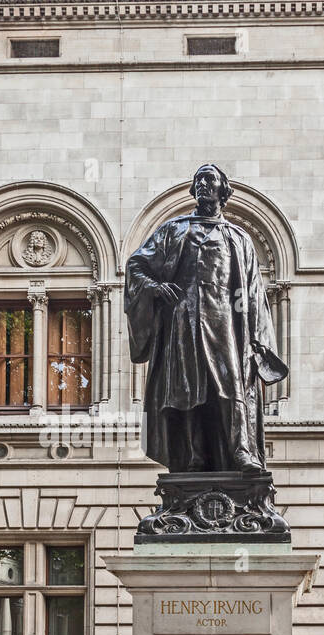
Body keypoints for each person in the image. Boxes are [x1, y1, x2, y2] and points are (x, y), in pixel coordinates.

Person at [125, 163, 287, 474]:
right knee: (187, 389)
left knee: (231, 386)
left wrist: (257, 341)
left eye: (209, 178)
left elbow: (253, 293)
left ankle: (242, 452)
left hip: (226, 323)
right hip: (183, 321)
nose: (202, 183)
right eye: (198, 179)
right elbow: (136, 267)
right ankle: (192, 455)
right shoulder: (173, 230)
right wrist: (157, 288)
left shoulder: (237, 238)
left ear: (222, 190)